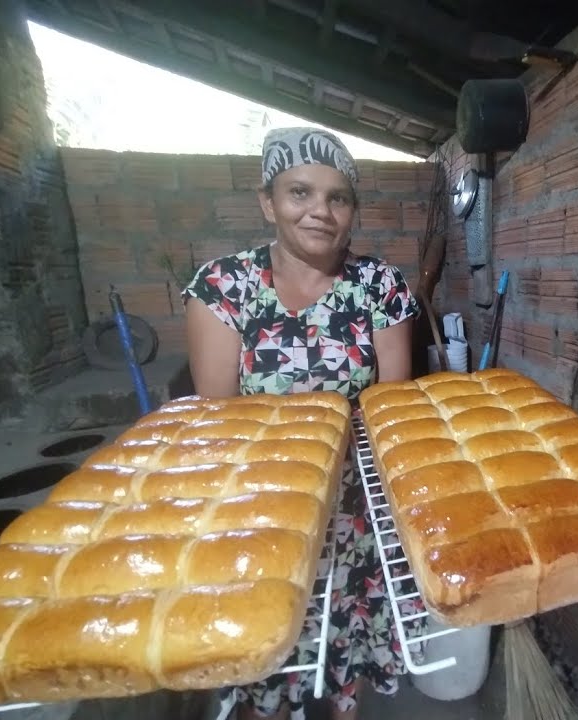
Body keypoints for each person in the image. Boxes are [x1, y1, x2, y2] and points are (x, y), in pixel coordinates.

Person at [180, 127, 425, 720]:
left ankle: (344, 707)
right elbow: (221, 422)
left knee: (348, 641)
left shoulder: (381, 288)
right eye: (299, 193)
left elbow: (392, 411)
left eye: (337, 197)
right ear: (268, 202)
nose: (320, 210)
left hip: (356, 507)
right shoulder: (223, 288)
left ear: (352, 211)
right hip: (262, 508)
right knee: (262, 645)